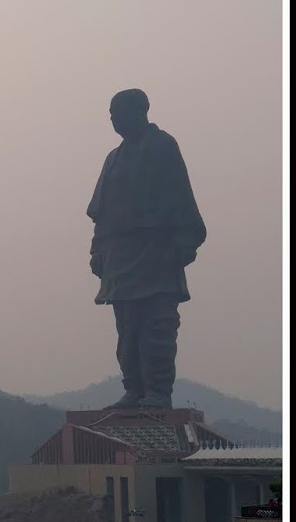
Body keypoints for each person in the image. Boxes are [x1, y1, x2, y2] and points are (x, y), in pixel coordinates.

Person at [86, 89, 206, 410]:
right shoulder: (113, 158)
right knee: (127, 330)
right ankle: (134, 389)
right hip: (120, 257)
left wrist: (183, 243)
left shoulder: (163, 146)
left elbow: (180, 196)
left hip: (155, 251)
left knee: (157, 326)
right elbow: (101, 213)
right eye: (110, 114)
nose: (113, 119)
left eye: (118, 112)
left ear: (141, 111)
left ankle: (157, 392)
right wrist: (97, 250)